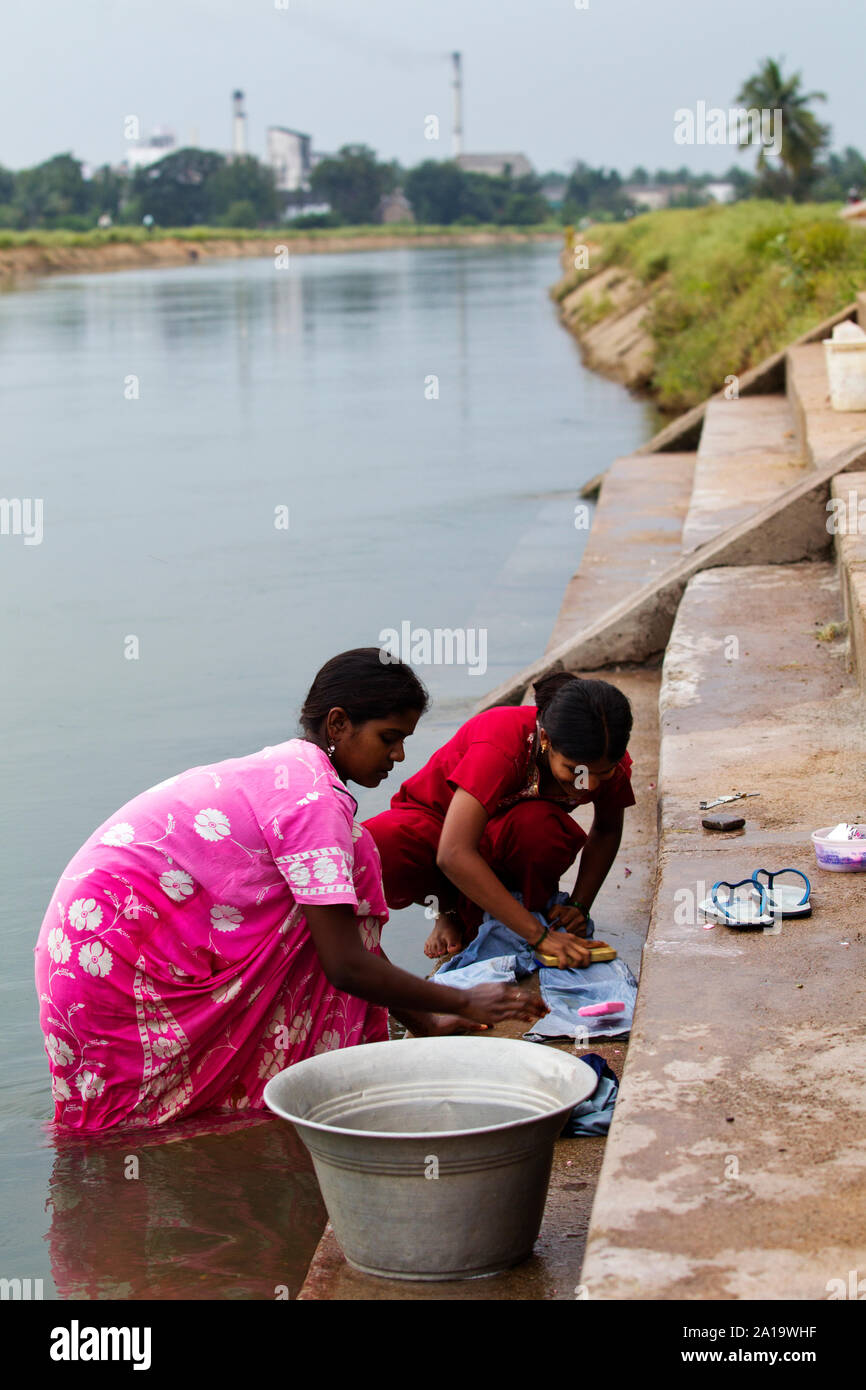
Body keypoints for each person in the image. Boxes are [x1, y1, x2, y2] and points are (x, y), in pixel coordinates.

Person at [34, 649, 543, 1132]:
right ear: (338, 723)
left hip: (94, 942)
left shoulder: (298, 774)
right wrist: (462, 999)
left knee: (153, 1131)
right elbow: (344, 964)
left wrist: (427, 1015)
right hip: (109, 953)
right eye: (389, 737)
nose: (399, 754)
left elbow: (339, 936)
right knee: (128, 1131)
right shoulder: (312, 798)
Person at [364, 672, 634, 965]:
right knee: (380, 845)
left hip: (505, 838)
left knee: (537, 827)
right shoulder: (500, 745)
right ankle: (452, 910)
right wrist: (540, 937)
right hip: (442, 831)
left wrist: (580, 906)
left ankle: (524, 911)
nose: (590, 785)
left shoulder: (605, 757)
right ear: (545, 739)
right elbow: (453, 853)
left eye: (602, 774)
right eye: (575, 770)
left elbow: (607, 829)